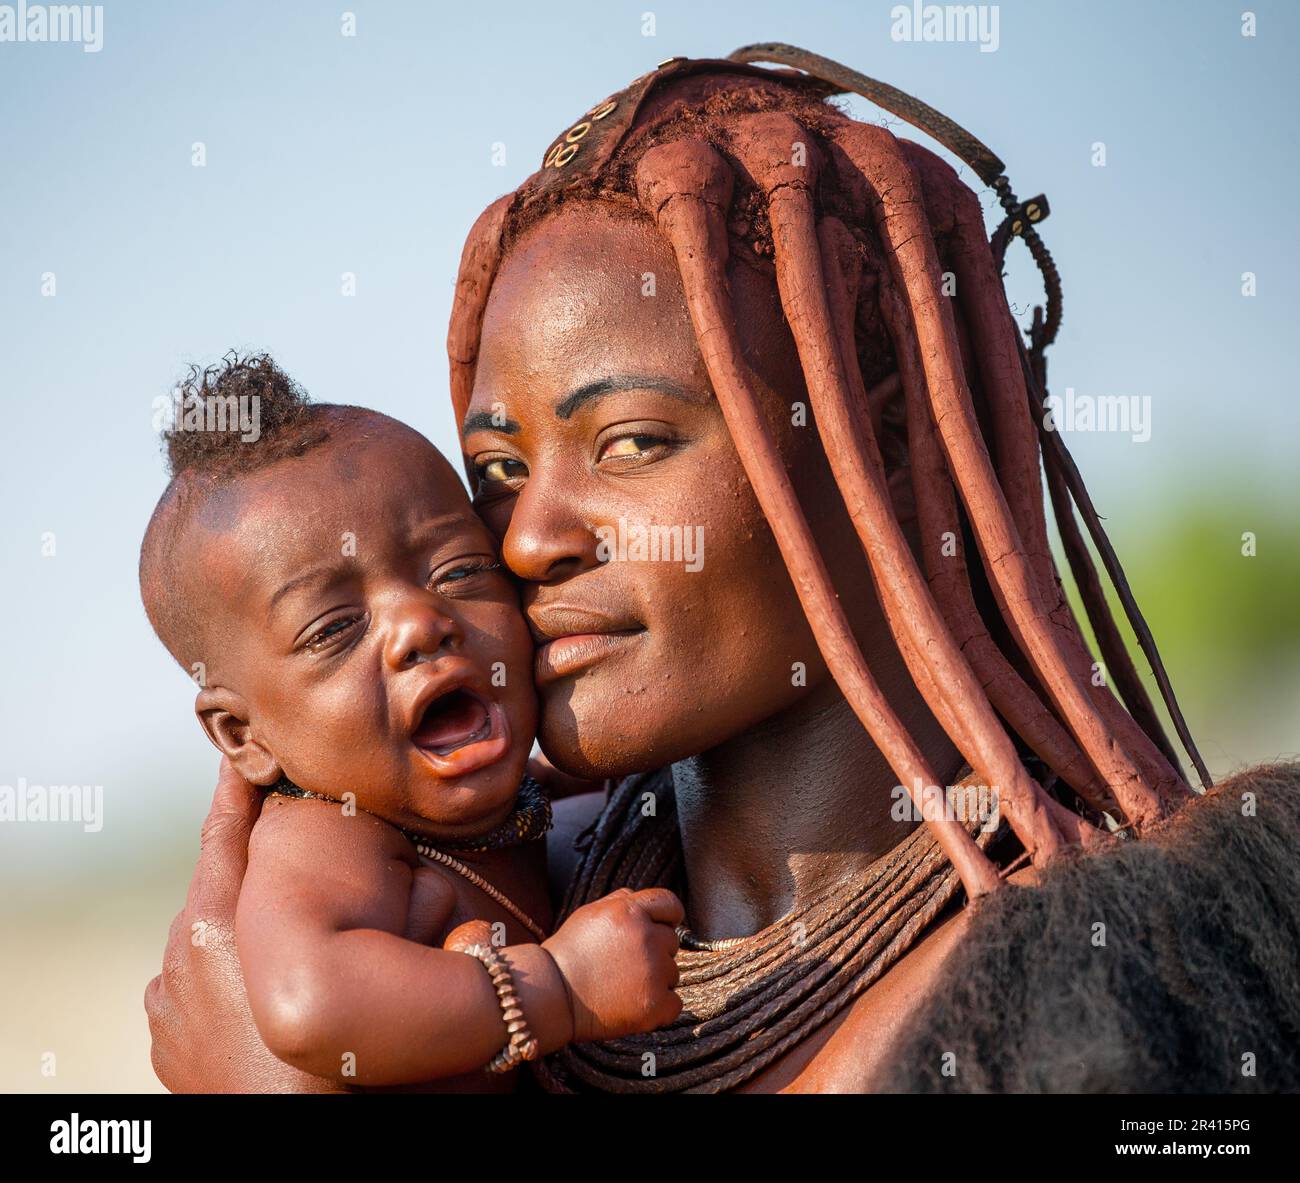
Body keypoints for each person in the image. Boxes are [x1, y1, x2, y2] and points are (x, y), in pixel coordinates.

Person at [145, 47, 1300, 1093]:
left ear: (884, 443)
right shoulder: (453, 900)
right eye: (496, 469)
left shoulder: (1112, 991)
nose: (528, 537)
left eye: (632, 442)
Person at [138, 355, 683, 1090]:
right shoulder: (328, 835)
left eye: (458, 572)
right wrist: (557, 985)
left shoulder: (528, 802)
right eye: (333, 629)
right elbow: (307, 1003)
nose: (420, 625)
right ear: (245, 736)